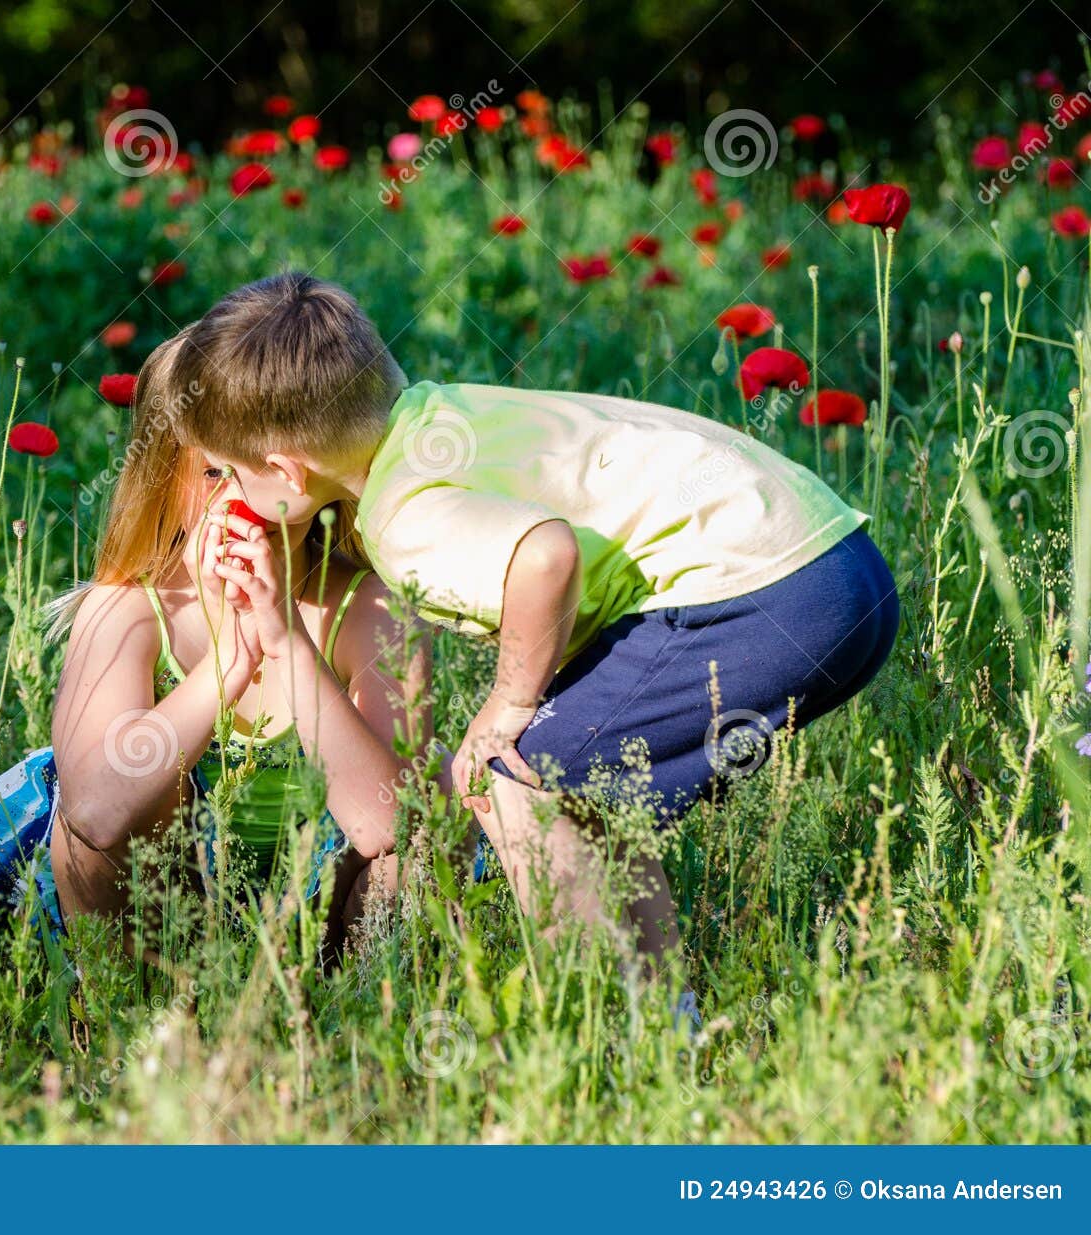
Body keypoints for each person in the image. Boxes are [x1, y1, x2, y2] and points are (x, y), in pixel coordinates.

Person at [171, 271, 899, 969]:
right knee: (579, 776)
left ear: (290, 471)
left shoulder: (401, 513)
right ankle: (657, 1021)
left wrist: (510, 701)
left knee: (511, 771)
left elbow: (546, 557)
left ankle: (593, 1022)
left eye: (232, 472)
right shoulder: (442, 414)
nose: (229, 491)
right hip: (839, 562)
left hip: (764, 595)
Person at [0, 331, 435, 962]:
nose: (239, 495)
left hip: (308, 904)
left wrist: (286, 641)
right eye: (214, 470)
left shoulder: (368, 609)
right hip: (154, 907)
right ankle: (124, 1017)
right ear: (165, 478)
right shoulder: (130, 609)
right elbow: (95, 813)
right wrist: (227, 665)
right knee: (132, 792)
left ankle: (345, 1017)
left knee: (418, 852)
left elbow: (391, 823)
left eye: (255, 468)